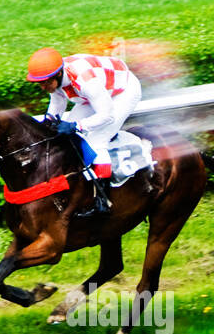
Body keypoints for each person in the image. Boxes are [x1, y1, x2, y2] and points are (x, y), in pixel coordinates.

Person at [25, 47, 143, 216]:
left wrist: (76, 126)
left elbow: (106, 115)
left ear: (58, 75)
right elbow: (57, 101)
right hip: (91, 97)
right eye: (39, 83)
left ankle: (103, 201)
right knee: (67, 136)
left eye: (45, 82)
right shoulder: (55, 75)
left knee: (96, 141)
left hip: (123, 92)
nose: (43, 87)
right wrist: (49, 122)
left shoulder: (85, 81)